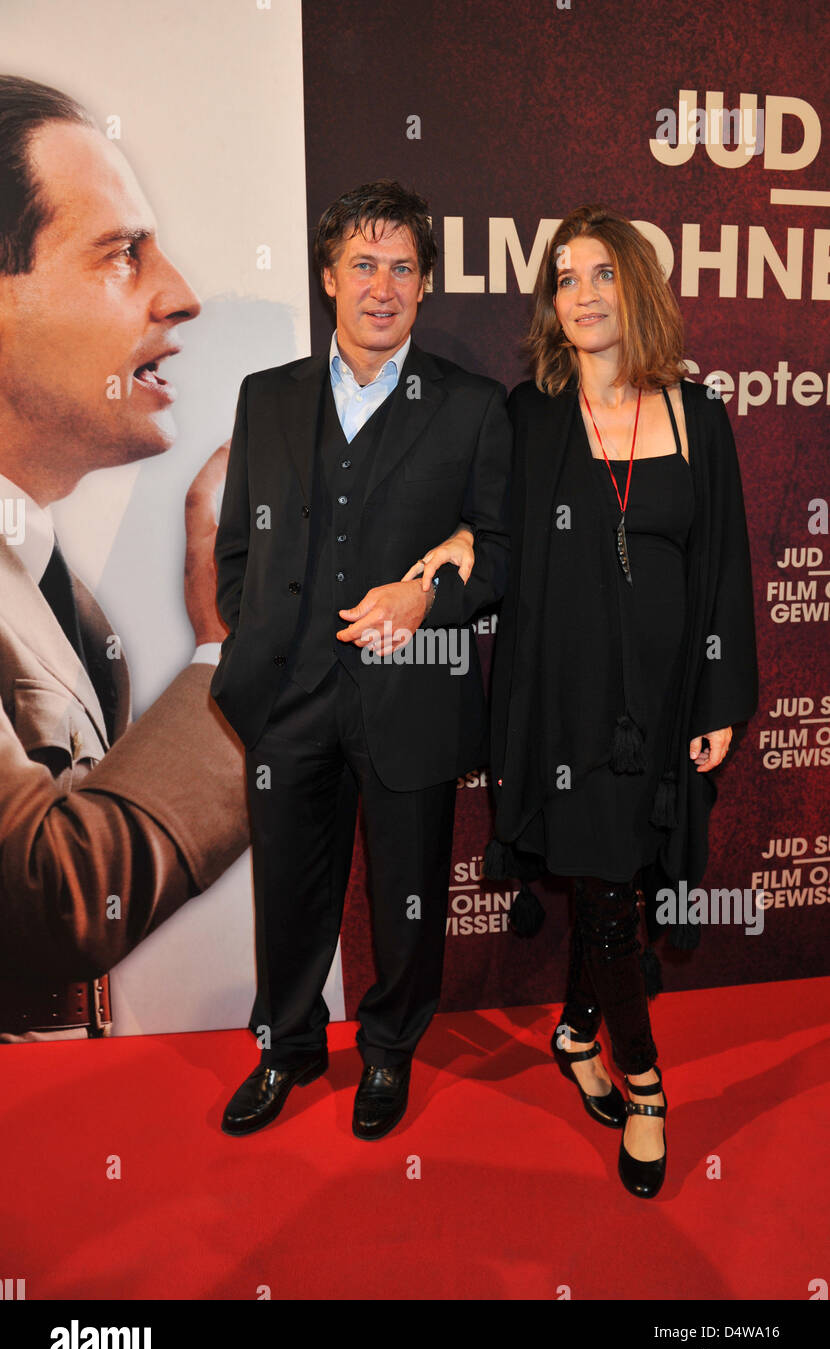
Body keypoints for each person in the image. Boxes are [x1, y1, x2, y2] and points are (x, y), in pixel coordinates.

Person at [210, 180, 511, 1141]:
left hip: (411, 697)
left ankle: (387, 1050)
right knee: (289, 893)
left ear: (425, 287)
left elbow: (502, 552)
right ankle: (289, 1046)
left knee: (406, 894)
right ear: (330, 277)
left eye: (403, 268)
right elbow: (237, 554)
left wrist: (431, 597)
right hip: (289, 698)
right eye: (364, 265)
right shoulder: (269, 398)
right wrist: (260, 643)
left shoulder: (471, 407)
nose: (383, 287)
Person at [485, 205, 758, 1197]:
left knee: (623, 883)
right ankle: (643, 1088)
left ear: (633, 287)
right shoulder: (529, 415)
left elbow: (722, 563)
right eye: (563, 278)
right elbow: (489, 538)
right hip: (565, 712)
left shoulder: (696, 412)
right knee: (605, 894)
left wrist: (720, 694)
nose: (581, 294)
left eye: (599, 273)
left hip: (666, 701)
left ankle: (570, 1030)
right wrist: (436, 563)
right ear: (549, 306)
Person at [0, 76, 249, 1040]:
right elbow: (54, 892)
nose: (178, 295)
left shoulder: (57, 585)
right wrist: (234, 649)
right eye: (121, 255)